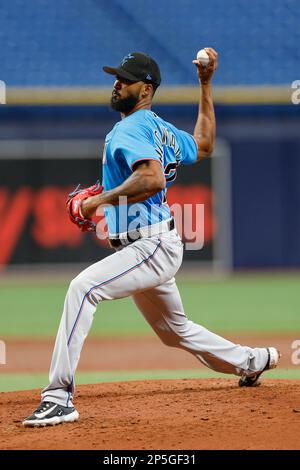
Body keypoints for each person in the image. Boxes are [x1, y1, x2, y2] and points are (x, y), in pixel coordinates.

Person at [23, 49, 280, 427]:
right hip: (155, 243)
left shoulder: (132, 128)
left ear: (145, 89)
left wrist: (95, 201)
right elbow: (204, 143)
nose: (115, 84)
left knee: (83, 288)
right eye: (115, 77)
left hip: (150, 244)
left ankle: (58, 397)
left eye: (124, 79)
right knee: (175, 332)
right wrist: (206, 85)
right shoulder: (157, 128)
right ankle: (253, 360)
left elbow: (152, 179)